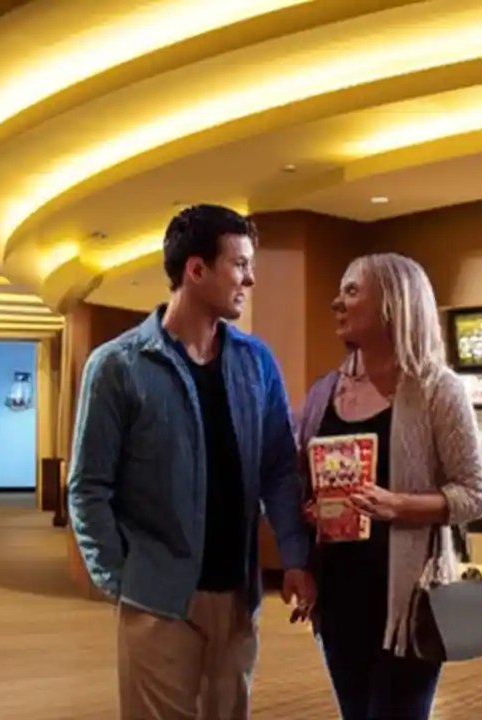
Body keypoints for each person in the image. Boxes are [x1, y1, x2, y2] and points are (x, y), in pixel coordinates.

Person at [67, 204, 315, 720]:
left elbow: (278, 469)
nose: (251, 277)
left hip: (238, 597)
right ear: (195, 270)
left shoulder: (255, 362)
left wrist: (294, 556)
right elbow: (88, 487)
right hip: (157, 601)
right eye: (239, 264)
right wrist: (119, 578)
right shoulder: (118, 367)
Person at [294, 252, 482, 719]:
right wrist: (313, 510)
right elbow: (302, 477)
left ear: (393, 302)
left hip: (412, 601)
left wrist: (395, 504)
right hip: (339, 597)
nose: (336, 302)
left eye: (351, 290)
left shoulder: (437, 390)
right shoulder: (326, 392)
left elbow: (474, 495)